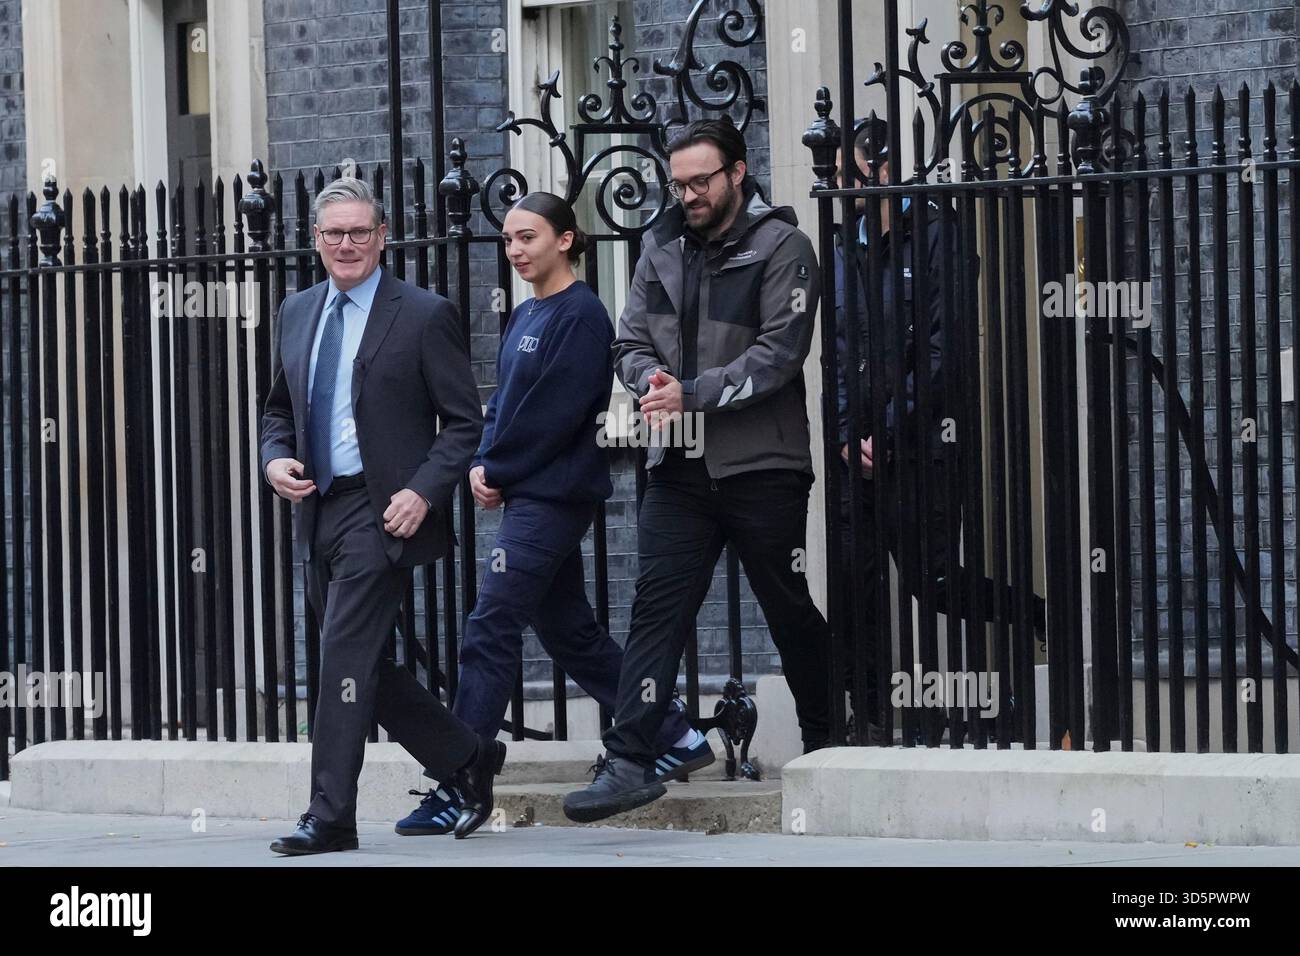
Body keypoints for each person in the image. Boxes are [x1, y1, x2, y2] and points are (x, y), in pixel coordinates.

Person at [395, 192, 704, 837]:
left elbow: (554, 413)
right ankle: (674, 732)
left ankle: (463, 776)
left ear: (566, 240)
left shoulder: (583, 314)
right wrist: (483, 460)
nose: (515, 249)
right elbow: (505, 401)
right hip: (527, 492)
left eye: (527, 237)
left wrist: (496, 469)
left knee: (490, 624)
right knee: (571, 636)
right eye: (508, 239)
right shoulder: (528, 313)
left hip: (554, 498)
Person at [563, 117, 830, 823]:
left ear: (738, 172)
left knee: (788, 610)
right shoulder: (660, 247)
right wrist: (652, 378)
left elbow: (780, 353)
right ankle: (628, 760)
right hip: (676, 466)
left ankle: (831, 746)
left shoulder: (784, 247)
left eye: (702, 180)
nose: (689, 195)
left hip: (763, 464)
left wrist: (695, 392)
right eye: (679, 183)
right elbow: (628, 342)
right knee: (657, 611)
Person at [259, 177, 505, 854]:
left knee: (339, 656)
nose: (346, 244)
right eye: (334, 233)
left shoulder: (424, 314)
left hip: (385, 511)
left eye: (359, 232)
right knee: (361, 661)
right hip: (318, 509)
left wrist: (422, 491)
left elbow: (463, 423)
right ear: (315, 240)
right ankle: (468, 757)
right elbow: (278, 410)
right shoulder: (298, 310)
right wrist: (273, 460)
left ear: (383, 237)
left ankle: (331, 816)